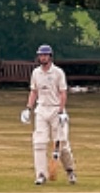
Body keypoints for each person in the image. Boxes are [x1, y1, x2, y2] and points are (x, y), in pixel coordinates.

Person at [24, 44, 77, 185]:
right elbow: (34, 91)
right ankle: (41, 174)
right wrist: (28, 108)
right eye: (41, 55)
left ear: (50, 57)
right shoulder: (36, 73)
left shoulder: (58, 73)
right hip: (41, 110)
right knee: (39, 143)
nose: (43, 57)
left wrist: (61, 111)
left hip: (56, 110)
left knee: (61, 145)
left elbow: (63, 93)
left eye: (45, 55)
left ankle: (70, 170)